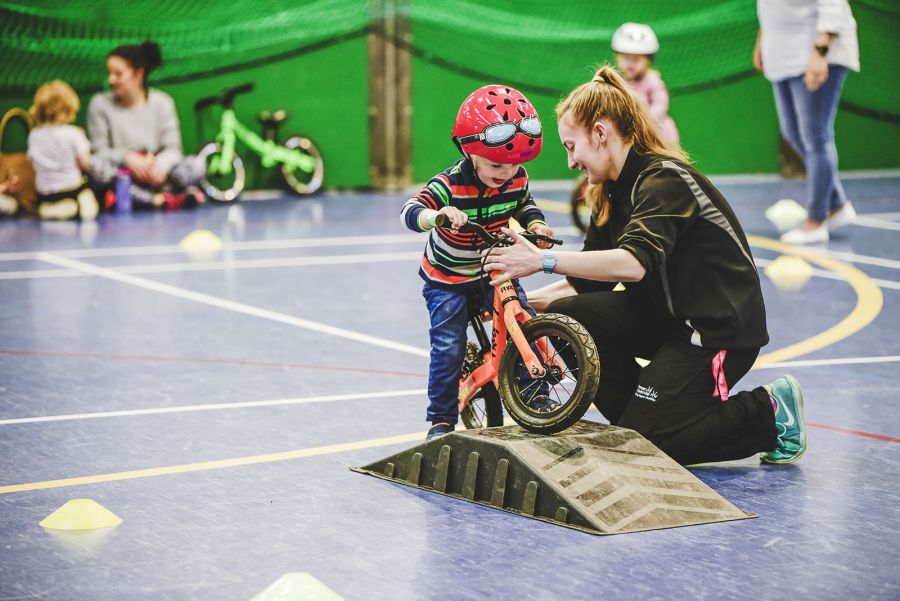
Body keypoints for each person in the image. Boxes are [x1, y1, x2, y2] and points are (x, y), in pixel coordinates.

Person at [482, 65, 806, 467]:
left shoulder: (663, 180)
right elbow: (583, 284)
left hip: (719, 332)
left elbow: (632, 265)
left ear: (600, 134)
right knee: (570, 316)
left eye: (571, 146)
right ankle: (650, 412)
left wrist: (540, 260)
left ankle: (768, 412)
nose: (570, 162)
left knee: (647, 447)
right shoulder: (609, 193)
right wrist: (521, 305)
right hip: (666, 319)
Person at [401, 84, 555, 440]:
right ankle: (441, 420)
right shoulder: (449, 184)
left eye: (515, 163)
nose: (506, 172)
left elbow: (524, 203)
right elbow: (410, 211)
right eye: (496, 164)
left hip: (491, 268)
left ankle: (538, 394)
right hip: (447, 278)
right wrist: (437, 216)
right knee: (448, 347)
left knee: (525, 319)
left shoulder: (516, 177)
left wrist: (535, 223)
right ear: (470, 152)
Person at [754, 0, 860, 244]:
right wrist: (763, 40)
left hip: (814, 51)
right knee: (793, 132)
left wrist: (820, 52)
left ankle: (816, 222)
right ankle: (836, 205)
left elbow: (833, 6)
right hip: (782, 53)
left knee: (816, 136)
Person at [87, 41, 202, 211]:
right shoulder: (100, 104)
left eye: (118, 74)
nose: (111, 80)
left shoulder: (162, 102)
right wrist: (127, 158)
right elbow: (99, 152)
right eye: (109, 73)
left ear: (138, 74)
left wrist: (160, 167)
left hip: (158, 174)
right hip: (123, 176)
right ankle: (159, 200)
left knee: (196, 165)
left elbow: (173, 149)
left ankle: (164, 194)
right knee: (95, 167)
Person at [26, 80, 99, 221]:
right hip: (71, 190)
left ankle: (50, 208)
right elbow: (85, 163)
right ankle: (78, 205)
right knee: (88, 189)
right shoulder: (74, 133)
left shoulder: (34, 135)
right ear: (66, 109)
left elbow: (33, 163)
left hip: (45, 195)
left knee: (49, 199)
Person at [612, 22, 678, 147]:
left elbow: (661, 104)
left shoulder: (652, 81)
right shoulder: (617, 81)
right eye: (626, 57)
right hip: (629, 135)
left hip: (655, 133)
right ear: (617, 57)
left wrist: (644, 120)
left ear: (648, 59)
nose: (631, 63)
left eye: (637, 59)